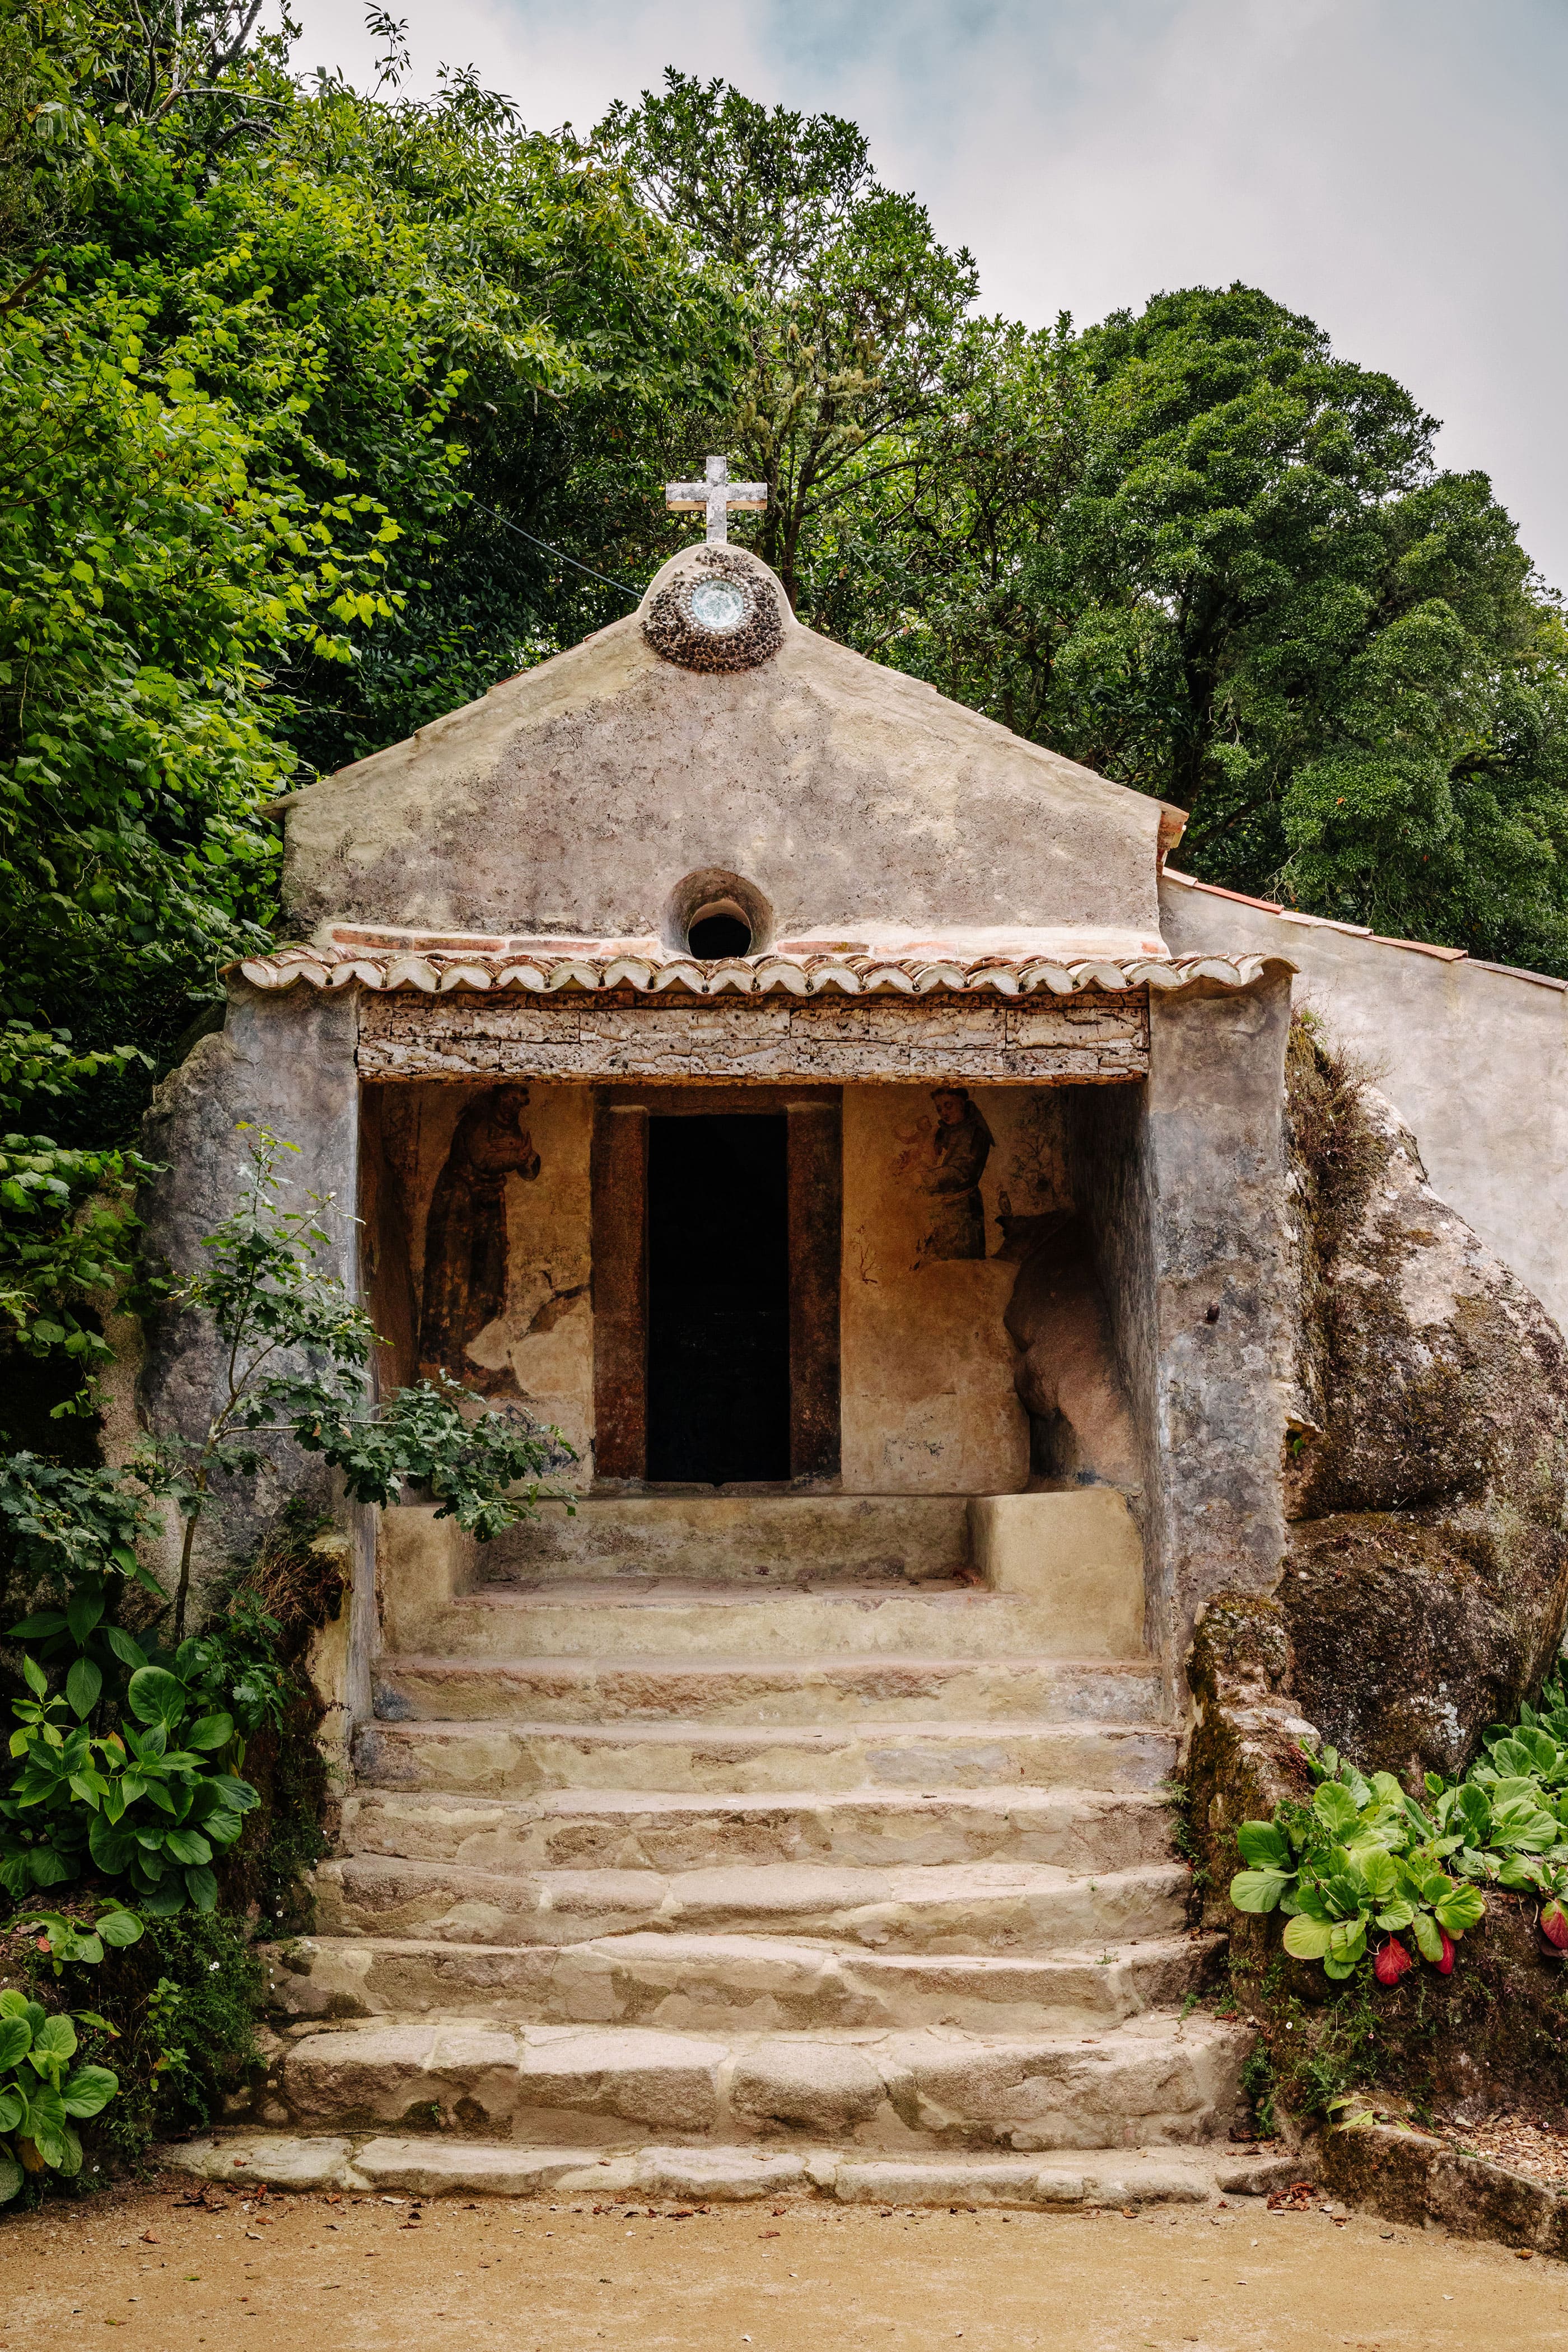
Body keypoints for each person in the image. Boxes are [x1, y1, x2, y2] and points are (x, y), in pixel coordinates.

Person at [418, 1086, 540, 1380]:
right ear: (497, 1098)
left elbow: (530, 1169)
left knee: (487, 1280)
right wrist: (518, 1158)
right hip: (458, 1204)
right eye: (511, 1099)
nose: (514, 1108)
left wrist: (526, 1160)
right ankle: (443, 1358)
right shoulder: (475, 1124)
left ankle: (463, 1352)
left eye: (520, 1104)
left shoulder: (513, 1130)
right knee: (453, 1280)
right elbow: (483, 1160)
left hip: (487, 1207)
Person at [920, 1086, 993, 1260]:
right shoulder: (946, 1131)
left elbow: (961, 1172)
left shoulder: (975, 1132)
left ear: (962, 1103)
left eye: (948, 1106)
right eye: (939, 1109)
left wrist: (923, 1179)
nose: (944, 1113)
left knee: (959, 1268)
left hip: (964, 1210)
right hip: (944, 1209)